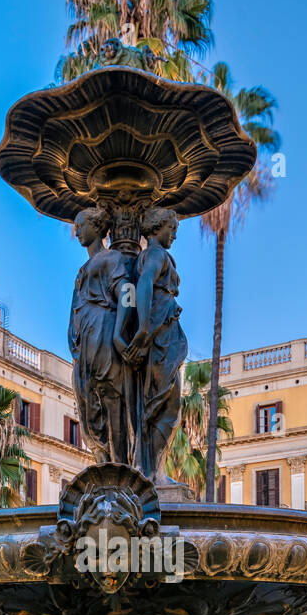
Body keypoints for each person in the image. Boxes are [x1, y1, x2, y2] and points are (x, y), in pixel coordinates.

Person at [119, 207, 187, 483]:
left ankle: (150, 469)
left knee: (160, 404)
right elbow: (144, 285)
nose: (173, 235)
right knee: (165, 405)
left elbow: (138, 289)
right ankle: (152, 473)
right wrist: (145, 328)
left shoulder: (150, 256)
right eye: (171, 229)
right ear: (158, 227)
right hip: (159, 336)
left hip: (161, 333)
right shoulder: (156, 255)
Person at [68, 207, 135, 464]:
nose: (77, 231)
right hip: (83, 341)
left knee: (110, 397)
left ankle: (119, 465)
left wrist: (120, 331)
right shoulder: (83, 269)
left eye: (81, 225)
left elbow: (127, 292)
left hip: (104, 333)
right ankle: (102, 461)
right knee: (86, 401)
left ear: (97, 227)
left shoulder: (112, 259)